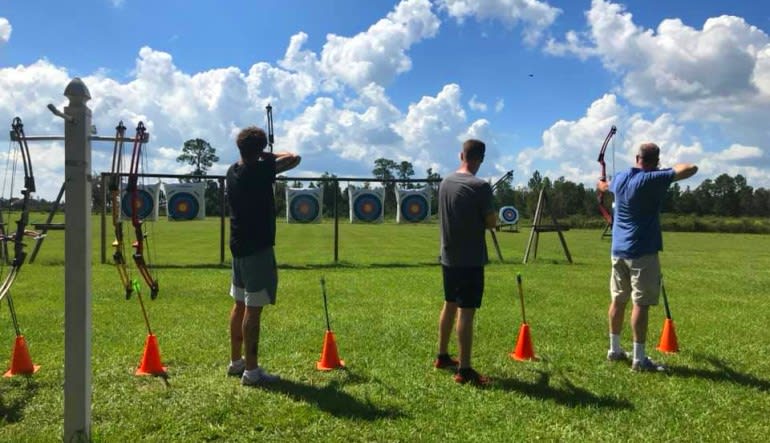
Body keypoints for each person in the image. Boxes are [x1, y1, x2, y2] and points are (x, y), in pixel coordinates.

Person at [597, 142, 697, 372]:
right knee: (640, 304)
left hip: (618, 251)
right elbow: (691, 168)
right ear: (656, 160)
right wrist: (664, 170)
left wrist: (601, 186)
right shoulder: (652, 178)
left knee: (618, 300)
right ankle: (639, 359)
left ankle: (614, 349)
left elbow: (604, 185)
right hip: (642, 252)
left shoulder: (621, 178)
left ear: (636, 158)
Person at [225, 126, 301, 385]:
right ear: (260, 150)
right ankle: (252, 372)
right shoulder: (260, 169)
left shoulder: (232, 170)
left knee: (239, 304)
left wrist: (260, 153)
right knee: (253, 310)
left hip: (238, 246)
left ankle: (237, 362)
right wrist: (268, 154)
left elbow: (257, 160)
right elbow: (294, 157)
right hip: (257, 247)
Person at [435, 139, 497, 385]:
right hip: (469, 259)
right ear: (480, 159)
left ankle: (442, 356)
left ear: (461, 155)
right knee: (466, 312)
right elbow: (491, 222)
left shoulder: (445, 182)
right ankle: (465, 369)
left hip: (448, 256)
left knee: (450, 303)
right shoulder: (480, 186)